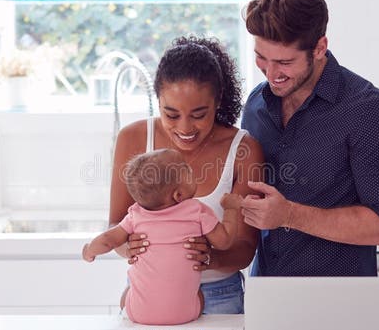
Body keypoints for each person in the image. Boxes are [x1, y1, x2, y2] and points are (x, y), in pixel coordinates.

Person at [240, 0, 379, 277]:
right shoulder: (256, 104)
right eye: (261, 57)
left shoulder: (370, 111)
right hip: (265, 292)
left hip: (339, 302)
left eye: (284, 62)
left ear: (319, 48)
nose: (271, 72)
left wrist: (288, 214)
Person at [109, 36, 265, 314]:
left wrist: (211, 257)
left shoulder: (244, 149)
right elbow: (115, 228)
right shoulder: (133, 139)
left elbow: (245, 249)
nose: (184, 127)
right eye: (171, 114)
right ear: (158, 100)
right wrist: (128, 247)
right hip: (149, 297)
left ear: (217, 102)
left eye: (198, 114)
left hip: (219, 297)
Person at [83, 149, 242, 324]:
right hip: (187, 314)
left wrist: (89, 250)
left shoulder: (136, 215)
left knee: (127, 294)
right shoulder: (197, 210)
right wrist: (231, 209)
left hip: (139, 313)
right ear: (178, 195)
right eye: (186, 170)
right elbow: (224, 240)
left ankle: (130, 308)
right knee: (198, 294)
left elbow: (107, 240)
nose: (192, 170)